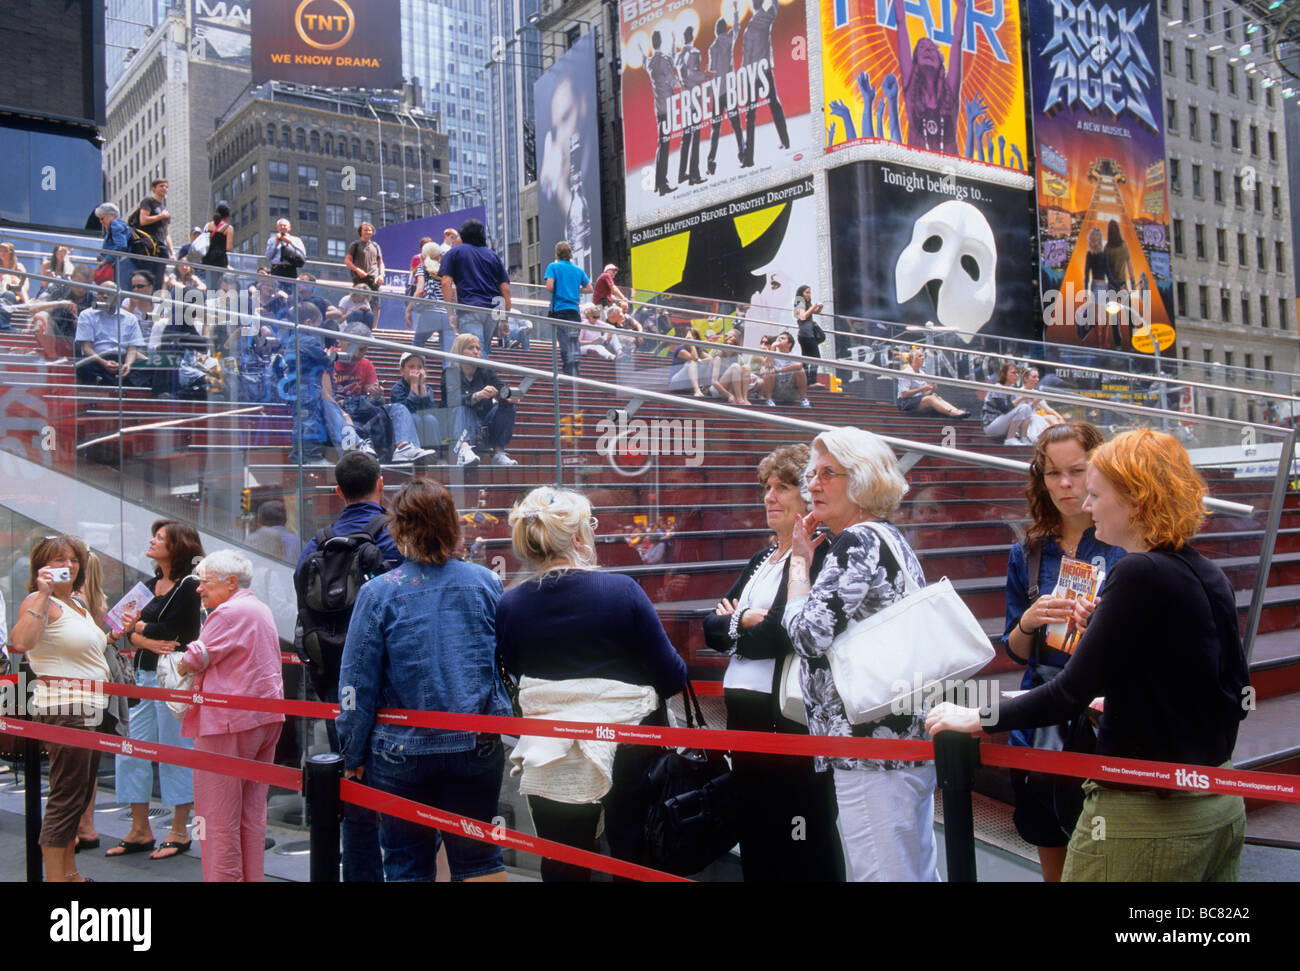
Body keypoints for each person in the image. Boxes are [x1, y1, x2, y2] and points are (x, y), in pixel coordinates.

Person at [928, 429, 1250, 882]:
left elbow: (1067, 694)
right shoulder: (1205, 570)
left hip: (1144, 819)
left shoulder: (1137, 570)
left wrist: (975, 717)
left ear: (1135, 500)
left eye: (1096, 493)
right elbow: (1231, 691)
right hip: (1215, 805)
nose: (1087, 505)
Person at [498, 487, 688, 880]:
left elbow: (515, 676)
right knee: (633, 859)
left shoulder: (510, 605)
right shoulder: (621, 591)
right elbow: (672, 676)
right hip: (630, 752)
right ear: (580, 536)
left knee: (564, 861)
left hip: (549, 752)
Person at [782, 427, 940, 881]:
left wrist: (798, 568)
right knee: (912, 869)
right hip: (898, 740)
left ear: (864, 480)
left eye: (828, 473)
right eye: (813, 473)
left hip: (868, 747)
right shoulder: (889, 538)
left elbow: (809, 635)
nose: (813, 484)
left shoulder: (857, 541)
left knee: (880, 872)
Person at [337, 479, 513, 882]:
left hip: (400, 752)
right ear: (453, 526)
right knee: (481, 860)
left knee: (405, 865)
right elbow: (504, 660)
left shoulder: (379, 593)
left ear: (399, 529)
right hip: (477, 742)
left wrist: (352, 754)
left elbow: (356, 682)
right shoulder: (486, 582)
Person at [703, 446, 844, 880]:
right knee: (758, 837)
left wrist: (735, 624)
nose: (770, 497)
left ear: (807, 497)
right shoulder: (761, 559)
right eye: (767, 487)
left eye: (783, 488)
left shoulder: (818, 555)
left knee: (803, 836)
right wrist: (742, 620)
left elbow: (780, 633)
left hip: (789, 723)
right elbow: (709, 627)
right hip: (745, 724)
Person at [998, 422, 1125, 880]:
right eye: (1053, 474)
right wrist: (1029, 621)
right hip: (1042, 717)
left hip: (1106, 716)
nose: (1065, 485)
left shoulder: (1122, 542)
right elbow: (1015, 651)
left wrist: (1106, 624)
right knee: (1049, 837)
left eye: (1077, 471)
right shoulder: (1029, 552)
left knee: (1108, 850)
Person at [295, 451, 401, 882]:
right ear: (382, 483)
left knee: (353, 788)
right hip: (394, 691)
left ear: (338, 492)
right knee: (401, 799)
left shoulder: (316, 542)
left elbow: (305, 605)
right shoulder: (394, 536)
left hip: (338, 686)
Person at [175, 550, 284, 881]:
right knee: (251, 813)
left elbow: (193, 659)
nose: (199, 588)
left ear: (231, 582)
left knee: (217, 814)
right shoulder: (259, 608)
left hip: (226, 721)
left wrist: (174, 661)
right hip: (264, 716)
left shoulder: (226, 613)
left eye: (205, 581)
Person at [6, 535, 110, 882]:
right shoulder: (40, 600)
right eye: (58, 560)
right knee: (66, 797)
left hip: (91, 705)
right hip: (65, 707)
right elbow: (21, 642)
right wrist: (43, 593)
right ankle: (56, 878)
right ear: (41, 566)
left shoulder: (78, 604)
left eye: (73, 560)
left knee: (79, 795)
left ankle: (69, 873)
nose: (68, 565)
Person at [109, 521, 205, 861]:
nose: (152, 541)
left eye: (160, 537)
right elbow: (119, 628)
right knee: (130, 748)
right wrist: (141, 635)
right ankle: (139, 828)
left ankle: (179, 831)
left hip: (172, 678)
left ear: (178, 546)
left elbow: (174, 631)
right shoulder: (150, 584)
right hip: (143, 675)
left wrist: (137, 629)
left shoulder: (190, 585)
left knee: (175, 749)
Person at [333, 321, 436, 463]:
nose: (357, 354)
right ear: (341, 341)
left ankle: (403, 447)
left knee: (399, 408)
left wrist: (376, 395)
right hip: (339, 413)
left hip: (360, 409)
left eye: (362, 349)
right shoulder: (329, 359)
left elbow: (373, 401)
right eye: (353, 347)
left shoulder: (367, 365)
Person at [894, 0, 968, 156]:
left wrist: (962, 7)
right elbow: (901, 24)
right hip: (914, 177)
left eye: (931, 49)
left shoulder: (950, 93)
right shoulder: (910, 89)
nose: (927, 50)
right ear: (915, 63)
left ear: (940, 62)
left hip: (951, 176)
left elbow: (957, 41)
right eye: (922, 48)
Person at [439, 332, 518, 466]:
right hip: (454, 430)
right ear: (459, 351)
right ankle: (463, 451)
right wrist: (477, 395)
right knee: (460, 407)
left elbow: (501, 387)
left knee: (507, 406)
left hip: (481, 427)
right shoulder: (450, 373)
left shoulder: (485, 371)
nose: (476, 352)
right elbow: (452, 399)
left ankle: (498, 454)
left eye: (478, 348)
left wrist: (510, 395)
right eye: (470, 348)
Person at [439, 218, 511, 360]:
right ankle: (482, 380)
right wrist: (504, 319)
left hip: (470, 307)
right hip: (493, 310)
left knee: (474, 351)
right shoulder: (493, 255)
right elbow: (505, 289)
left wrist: (450, 313)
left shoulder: (455, 252)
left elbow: (446, 283)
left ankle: (481, 380)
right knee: (482, 349)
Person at [740, 0, 790, 165]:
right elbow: (775, 7)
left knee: (750, 115)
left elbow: (746, 57)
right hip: (766, 70)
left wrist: (743, 76)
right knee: (775, 104)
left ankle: (749, 158)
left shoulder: (749, 29)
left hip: (753, 74)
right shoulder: (765, 18)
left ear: (752, 6)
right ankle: (786, 141)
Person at [74, 290, 149, 387]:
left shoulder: (130, 318)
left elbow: (132, 349)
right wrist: (104, 363)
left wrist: (128, 365)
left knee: (151, 367)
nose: (105, 296)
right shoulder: (86, 315)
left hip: (122, 358)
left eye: (109, 294)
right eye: (101, 293)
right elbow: (87, 348)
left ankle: (114, 380)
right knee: (83, 366)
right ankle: (117, 382)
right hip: (98, 359)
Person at [546, 240, 593, 376]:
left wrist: (560, 289)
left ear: (557, 254)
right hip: (574, 310)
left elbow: (549, 287)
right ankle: (576, 369)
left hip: (560, 309)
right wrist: (576, 290)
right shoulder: (578, 270)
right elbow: (589, 288)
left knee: (564, 340)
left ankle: (568, 370)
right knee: (574, 340)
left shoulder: (553, 267)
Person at [643, 30, 681, 195]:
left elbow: (666, 62)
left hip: (659, 109)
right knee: (664, 145)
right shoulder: (663, 62)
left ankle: (659, 183)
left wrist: (672, 44)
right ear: (661, 42)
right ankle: (661, 184)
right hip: (667, 108)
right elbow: (673, 80)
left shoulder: (651, 62)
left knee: (662, 144)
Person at [707, 14, 746, 173]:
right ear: (724, 29)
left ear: (716, 32)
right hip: (729, 89)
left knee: (715, 128)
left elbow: (712, 71)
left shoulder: (712, 48)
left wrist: (710, 93)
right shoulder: (729, 40)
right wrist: (736, 12)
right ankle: (742, 153)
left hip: (718, 92)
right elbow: (737, 27)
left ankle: (711, 162)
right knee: (736, 123)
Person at [389, 352, 442, 453]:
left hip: (424, 425)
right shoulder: (397, 389)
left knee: (430, 419)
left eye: (419, 367)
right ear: (402, 370)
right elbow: (406, 411)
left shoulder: (427, 389)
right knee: (414, 418)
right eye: (411, 367)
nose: (416, 370)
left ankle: (434, 453)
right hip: (404, 426)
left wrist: (422, 386)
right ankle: (411, 451)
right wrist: (413, 385)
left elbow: (430, 411)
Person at [896, 347, 969, 417]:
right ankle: (951, 412)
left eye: (923, 356)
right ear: (912, 359)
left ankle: (956, 411)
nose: (923, 358)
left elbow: (924, 393)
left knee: (937, 397)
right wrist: (922, 389)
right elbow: (904, 394)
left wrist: (932, 389)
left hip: (916, 400)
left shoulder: (921, 373)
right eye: (920, 356)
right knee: (930, 399)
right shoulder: (906, 373)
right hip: (905, 403)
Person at [409, 241, 450, 350]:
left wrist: (408, 310)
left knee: (417, 346)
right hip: (446, 314)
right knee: (448, 353)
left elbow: (419, 290)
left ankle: (414, 366)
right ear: (439, 255)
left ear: (424, 255)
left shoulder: (422, 268)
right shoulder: (446, 269)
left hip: (429, 313)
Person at [982, 361, 1035, 445]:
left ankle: (1023, 437)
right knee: (1024, 407)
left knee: (1027, 408)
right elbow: (1004, 409)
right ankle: (1010, 438)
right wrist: (1021, 398)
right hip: (991, 426)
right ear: (1004, 374)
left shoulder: (1012, 389)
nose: (1016, 376)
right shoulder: (998, 387)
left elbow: (1017, 411)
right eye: (1013, 373)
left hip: (1004, 425)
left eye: (1017, 373)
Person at [133, 178, 172, 290]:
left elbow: (167, 233)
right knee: (147, 276)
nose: (164, 188)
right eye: (161, 186)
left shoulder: (165, 209)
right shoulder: (148, 201)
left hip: (161, 247)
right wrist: (160, 216)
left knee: (159, 279)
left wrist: (172, 252)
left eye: (166, 186)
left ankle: (155, 301)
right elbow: (143, 220)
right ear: (154, 188)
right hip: (148, 246)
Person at [753, 331, 810, 408]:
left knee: (800, 370)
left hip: (790, 390)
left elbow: (799, 365)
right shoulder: (773, 353)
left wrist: (779, 370)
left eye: (782, 338)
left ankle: (804, 399)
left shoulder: (794, 354)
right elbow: (767, 365)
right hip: (775, 390)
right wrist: (772, 348)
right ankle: (769, 400)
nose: (779, 339)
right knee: (769, 370)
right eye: (778, 338)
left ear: (789, 344)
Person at [1103, 219, 1134, 350]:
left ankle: (1118, 344)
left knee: (1114, 317)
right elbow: (1130, 265)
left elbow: (1106, 270)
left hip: (1112, 286)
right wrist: (1132, 281)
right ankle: (1133, 342)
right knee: (1130, 314)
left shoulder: (1107, 249)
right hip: (1123, 285)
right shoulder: (1124, 246)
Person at [94, 203, 135, 289]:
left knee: (120, 292)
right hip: (121, 265)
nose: (101, 222)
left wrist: (106, 260)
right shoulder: (117, 225)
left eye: (102, 218)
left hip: (121, 267)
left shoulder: (115, 224)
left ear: (112, 215)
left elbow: (121, 245)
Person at [199, 203, 234, 291]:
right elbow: (228, 248)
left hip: (207, 258)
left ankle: (208, 299)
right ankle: (213, 301)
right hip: (219, 260)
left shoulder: (207, 225)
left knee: (209, 282)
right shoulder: (228, 228)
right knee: (218, 284)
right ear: (227, 216)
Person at [793, 285, 823, 381]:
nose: (809, 294)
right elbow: (803, 316)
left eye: (809, 292)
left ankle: (806, 380)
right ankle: (811, 380)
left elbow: (814, 312)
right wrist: (814, 305)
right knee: (815, 357)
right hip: (806, 335)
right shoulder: (799, 301)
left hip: (807, 334)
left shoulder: (806, 303)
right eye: (807, 292)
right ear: (801, 293)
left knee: (807, 358)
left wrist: (819, 307)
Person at [345, 222, 384, 291]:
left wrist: (381, 275)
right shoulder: (355, 245)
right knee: (359, 300)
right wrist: (357, 270)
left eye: (370, 230)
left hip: (373, 280)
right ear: (360, 232)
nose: (368, 232)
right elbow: (347, 261)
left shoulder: (376, 246)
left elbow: (380, 263)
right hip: (359, 279)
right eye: (365, 230)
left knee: (374, 301)